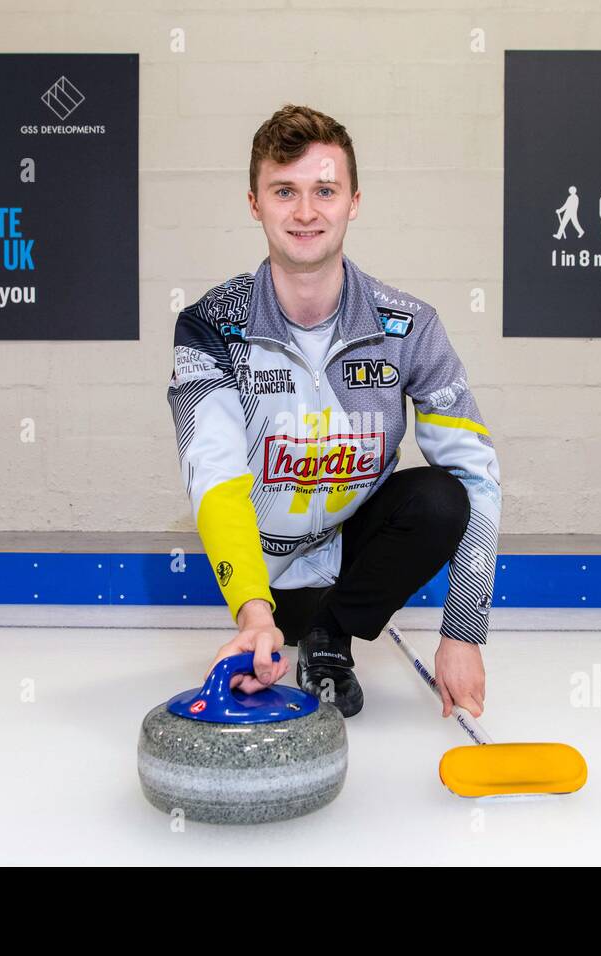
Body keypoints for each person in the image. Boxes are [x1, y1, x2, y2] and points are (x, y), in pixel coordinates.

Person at [166, 104, 502, 720]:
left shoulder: (409, 325)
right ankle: (286, 628)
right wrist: (253, 613)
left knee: (440, 497)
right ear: (254, 203)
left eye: (325, 190)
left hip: (353, 576)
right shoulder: (210, 326)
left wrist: (463, 630)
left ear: (353, 201)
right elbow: (213, 475)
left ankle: (332, 638)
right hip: (266, 586)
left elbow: (476, 475)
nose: (304, 211)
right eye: (284, 191)